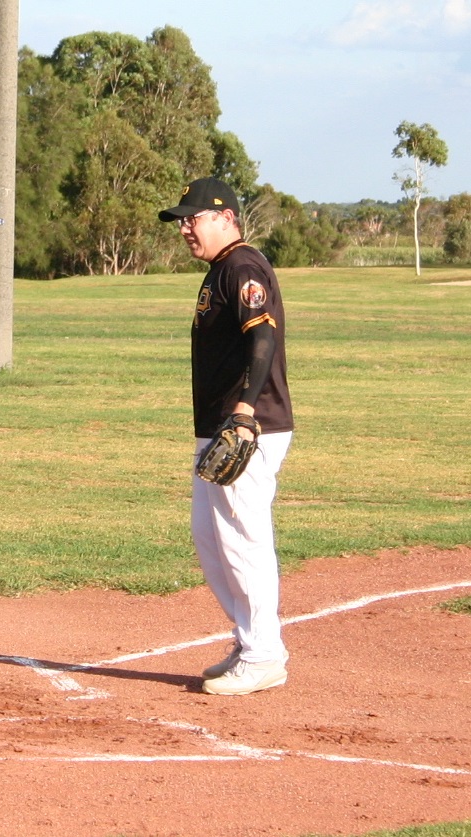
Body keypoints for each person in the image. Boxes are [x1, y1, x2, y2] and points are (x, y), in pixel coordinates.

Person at [158, 177, 295, 696]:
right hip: (221, 426)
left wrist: (243, 409)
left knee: (242, 539)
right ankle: (251, 642)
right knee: (212, 540)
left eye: (193, 218)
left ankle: (263, 655)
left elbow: (263, 337)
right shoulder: (221, 270)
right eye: (183, 220)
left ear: (226, 218)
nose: (186, 228)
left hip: (248, 426)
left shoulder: (242, 267)